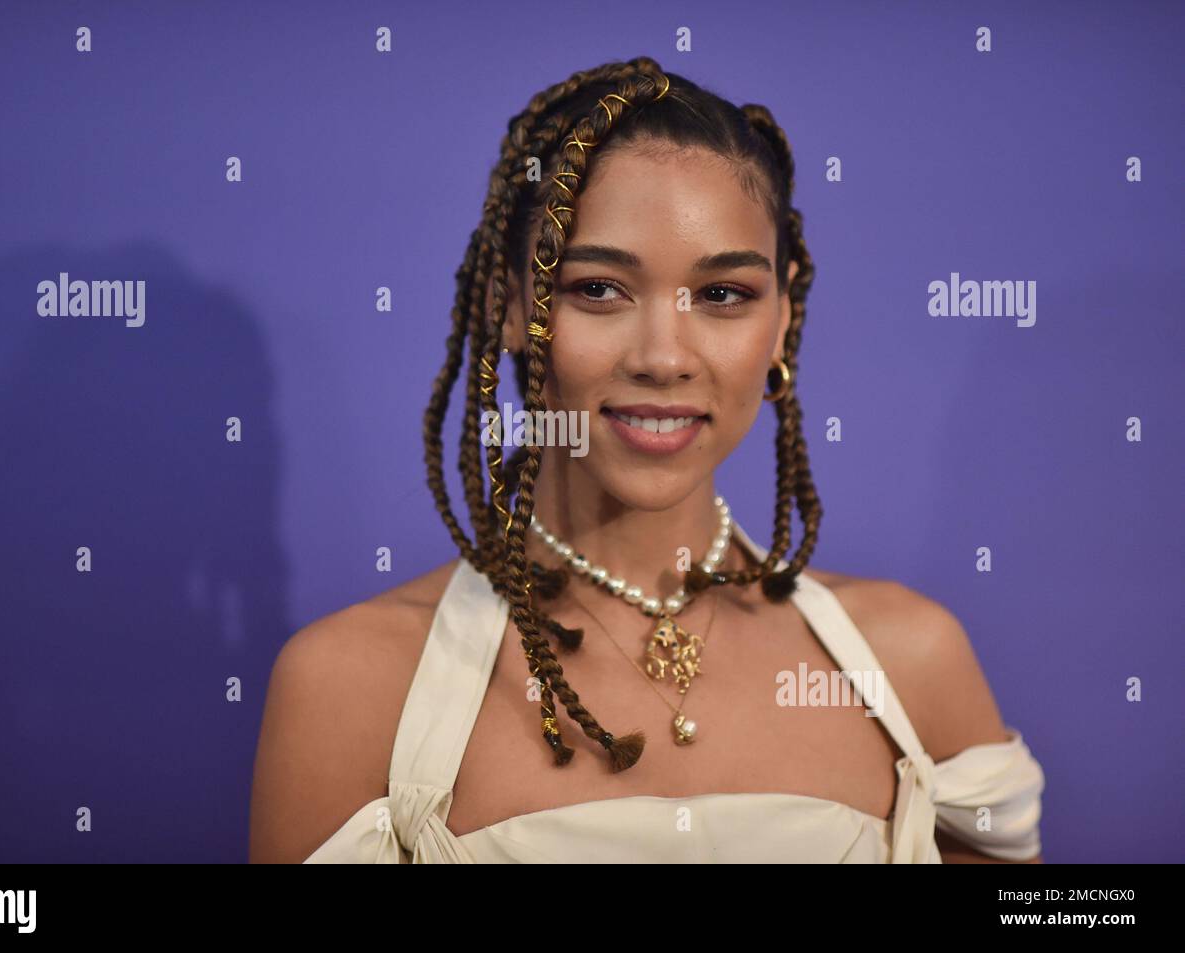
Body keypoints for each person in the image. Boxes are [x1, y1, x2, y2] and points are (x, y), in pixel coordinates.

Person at [249, 57, 1045, 863]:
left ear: (782, 317)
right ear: (511, 306)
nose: (665, 358)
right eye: (599, 288)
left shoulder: (914, 661)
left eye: (724, 294)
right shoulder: (350, 686)